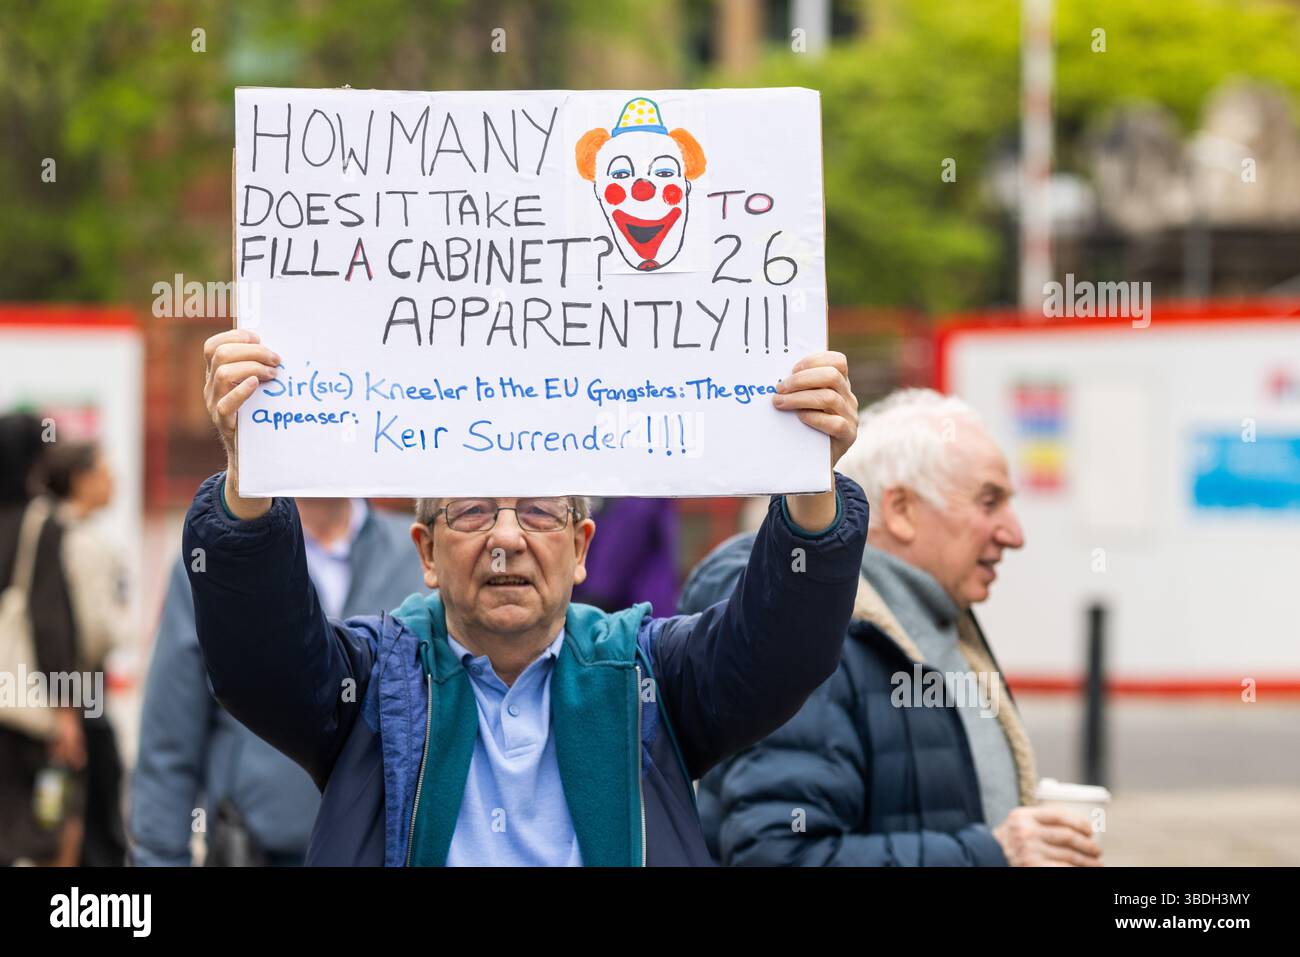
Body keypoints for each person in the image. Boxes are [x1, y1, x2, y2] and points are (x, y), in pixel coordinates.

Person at [184, 328, 866, 865]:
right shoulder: (370, 684)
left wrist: (812, 491)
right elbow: (261, 660)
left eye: (539, 511)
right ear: (425, 550)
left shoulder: (646, 676)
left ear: (582, 548)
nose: (506, 537)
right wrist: (249, 481)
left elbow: (777, 654)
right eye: (475, 510)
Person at [681, 389, 1103, 866]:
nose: (1014, 534)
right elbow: (780, 855)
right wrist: (991, 854)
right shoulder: (815, 639)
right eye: (989, 502)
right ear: (900, 510)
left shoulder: (932, 616)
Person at [130, 494, 426, 866]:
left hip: (385, 854)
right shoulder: (218, 560)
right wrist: (158, 858)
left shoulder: (414, 556)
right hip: (254, 849)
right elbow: (170, 736)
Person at [0, 412, 85, 866]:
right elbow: (50, 624)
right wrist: (68, 710)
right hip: (27, 707)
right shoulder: (40, 523)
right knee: (48, 825)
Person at [45, 439, 129, 865]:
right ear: (81, 480)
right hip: (83, 686)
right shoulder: (87, 541)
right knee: (97, 804)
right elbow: (96, 629)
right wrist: (127, 628)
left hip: (43, 687)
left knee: (57, 804)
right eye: (103, 469)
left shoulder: (42, 529)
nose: (113, 478)